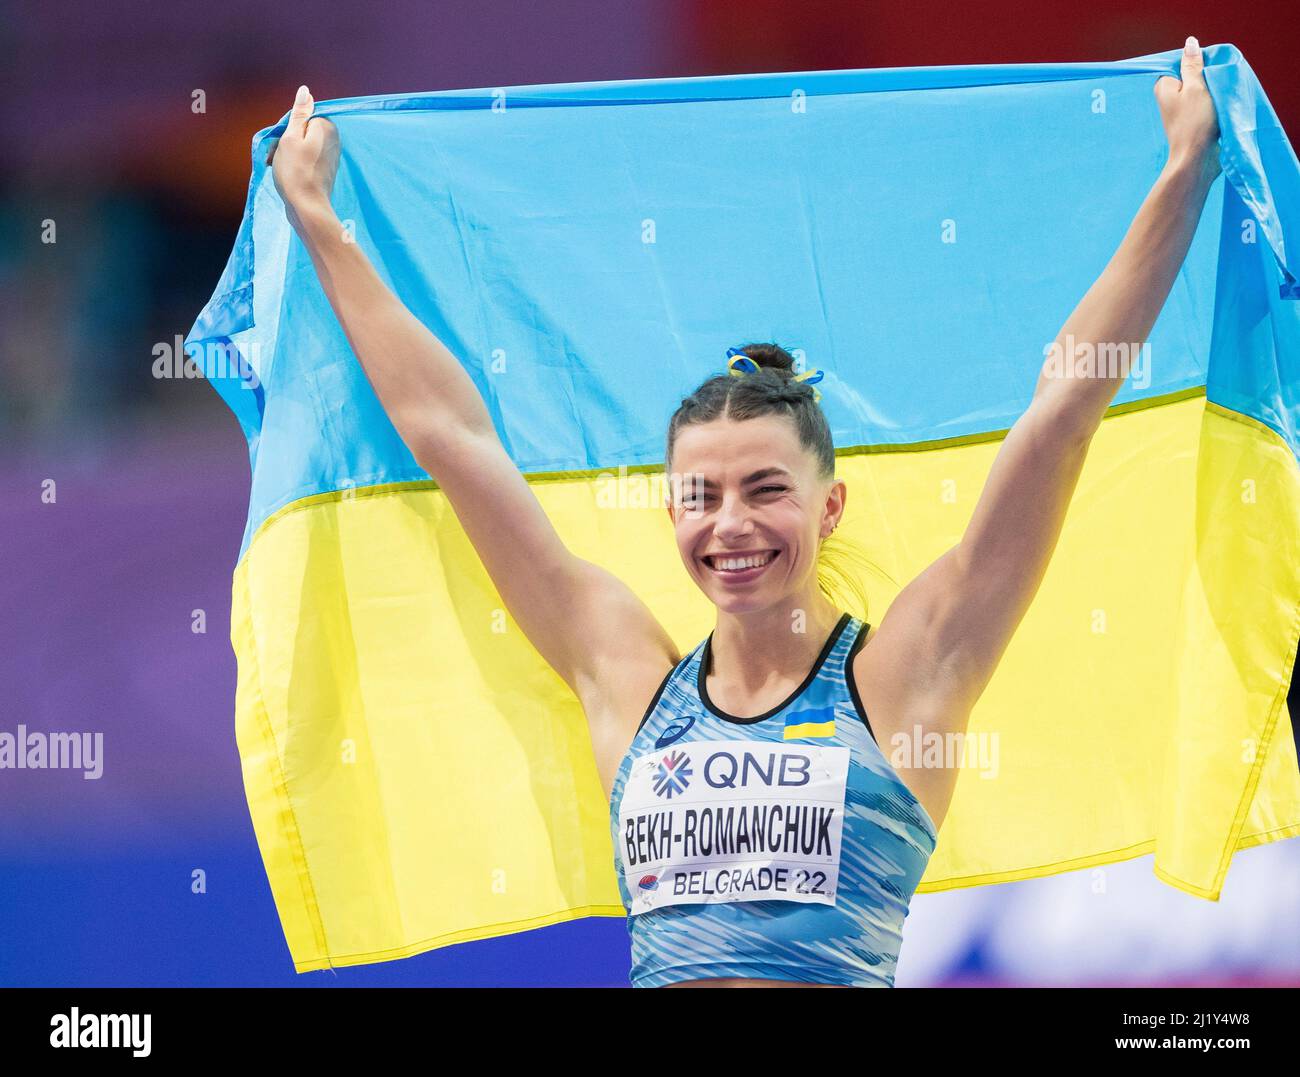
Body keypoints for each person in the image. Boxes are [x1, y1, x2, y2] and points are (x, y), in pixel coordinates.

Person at [266, 37, 1222, 987]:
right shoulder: (625, 677)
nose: (732, 524)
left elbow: (1061, 419)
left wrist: (1183, 177)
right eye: (701, 495)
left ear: (830, 504)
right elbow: (451, 438)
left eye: (767, 490)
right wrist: (316, 216)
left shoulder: (906, 676)